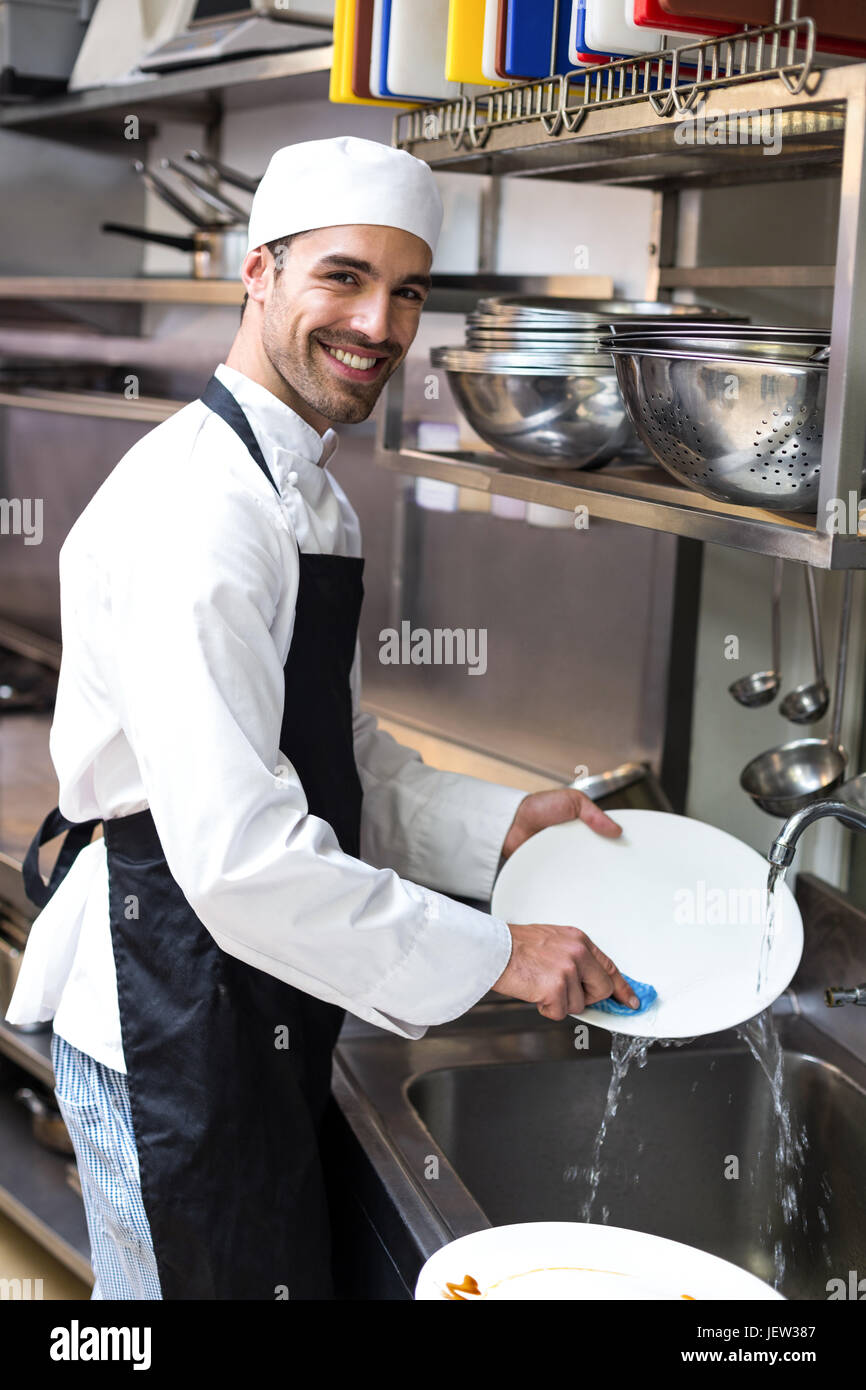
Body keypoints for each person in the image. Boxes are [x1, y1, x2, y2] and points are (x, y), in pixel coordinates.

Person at [6, 137, 638, 1301]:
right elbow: (243, 858)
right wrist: (498, 954)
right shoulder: (200, 513)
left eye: (406, 292)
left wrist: (504, 819)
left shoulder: (310, 498)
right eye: (341, 277)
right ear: (259, 272)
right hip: (171, 1001)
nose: (378, 323)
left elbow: (330, 758)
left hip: (248, 990)